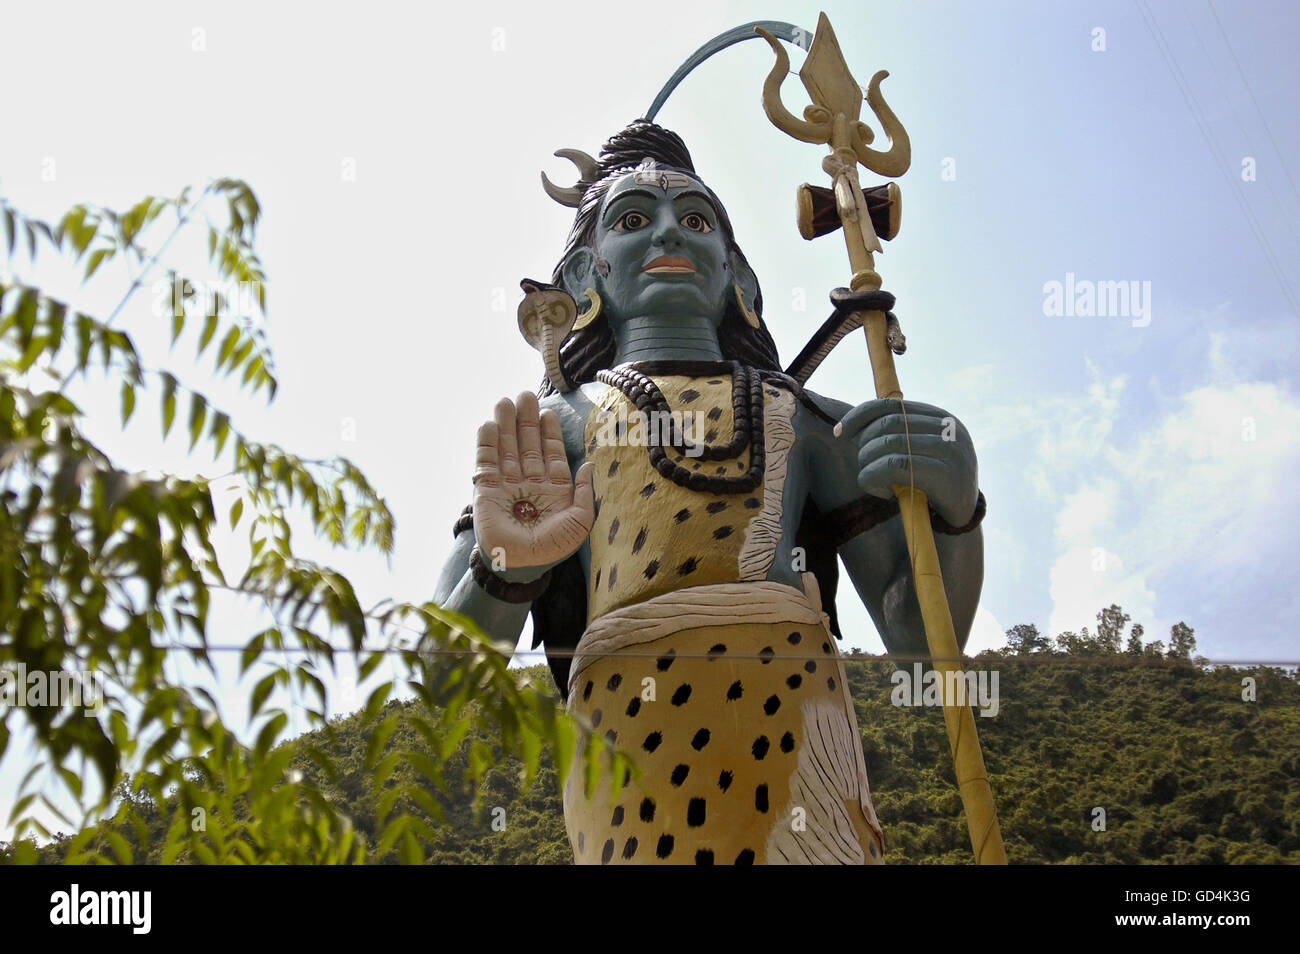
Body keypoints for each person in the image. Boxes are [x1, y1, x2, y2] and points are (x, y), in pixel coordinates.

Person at [433, 121, 984, 865]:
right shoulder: (554, 430)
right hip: (628, 758)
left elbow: (922, 646)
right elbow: (444, 674)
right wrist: (508, 571)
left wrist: (956, 513)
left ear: (738, 278)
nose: (670, 232)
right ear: (582, 279)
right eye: (633, 220)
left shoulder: (805, 419)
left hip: (802, 753)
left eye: (697, 220)